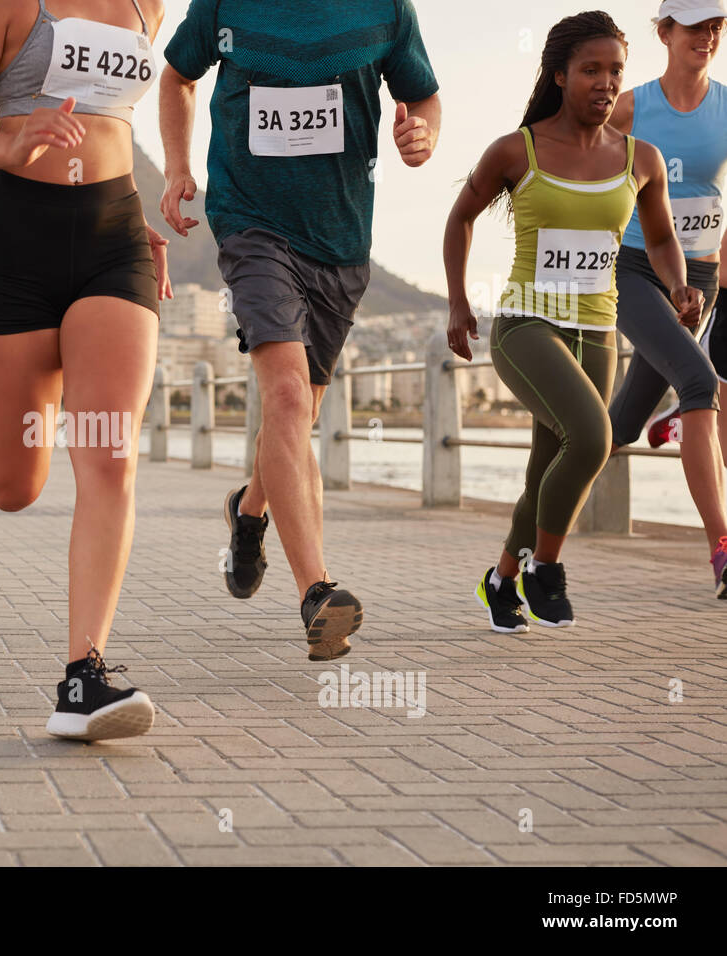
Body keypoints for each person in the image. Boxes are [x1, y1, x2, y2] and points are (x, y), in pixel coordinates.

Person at [159, 0, 440, 661]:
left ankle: (249, 511)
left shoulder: (385, 11)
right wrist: (176, 167)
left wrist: (420, 137)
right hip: (251, 222)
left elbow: (423, 98)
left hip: (342, 242)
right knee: (285, 397)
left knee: (300, 414)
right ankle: (317, 593)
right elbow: (177, 75)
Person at [0, 0, 172, 740]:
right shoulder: (2, 5)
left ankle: (83, 678)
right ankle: (9, 399)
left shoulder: (148, 6)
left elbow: (119, 121)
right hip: (15, 245)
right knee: (15, 485)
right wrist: (9, 146)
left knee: (109, 457)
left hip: (115, 239)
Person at [446, 11, 703, 632]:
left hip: (596, 332)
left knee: (546, 470)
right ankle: (547, 569)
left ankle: (502, 578)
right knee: (592, 439)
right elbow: (460, 218)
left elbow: (664, 238)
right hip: (526, 325)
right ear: (559, 75)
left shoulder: (642, 158)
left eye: (616, 70)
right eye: (591, 70)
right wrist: (458, 303)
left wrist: (677, 285)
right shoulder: (518, 149)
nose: (606, 82)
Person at [604, 0, 727, 598]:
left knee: (617, 426)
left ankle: (529, 520)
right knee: (701, 382)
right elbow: (582, 169)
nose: (707, 36)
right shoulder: (632, 107)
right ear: (664, 32)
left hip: (698, 282)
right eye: (695, 26)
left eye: (716, 26)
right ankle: (724, 549)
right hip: (633, 270)